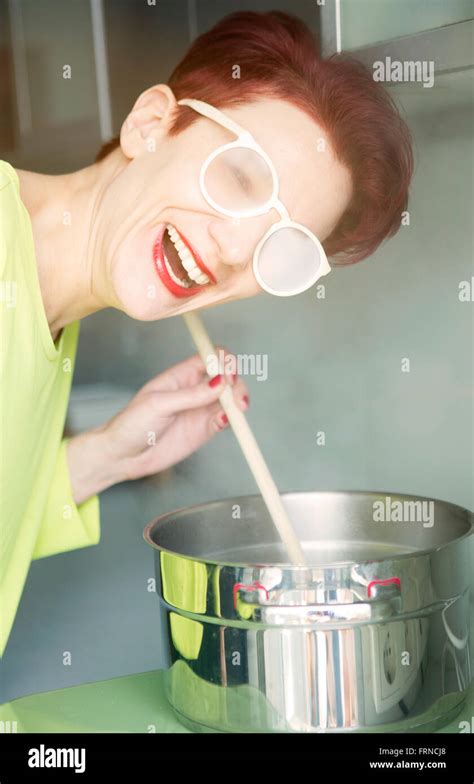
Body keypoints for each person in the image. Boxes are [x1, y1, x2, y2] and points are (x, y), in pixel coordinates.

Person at [0, 11, 413, 656]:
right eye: (241, 177)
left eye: (280, 246)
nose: (233, 250)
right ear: (150, 124)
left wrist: (109, 455)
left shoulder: (54, 319)